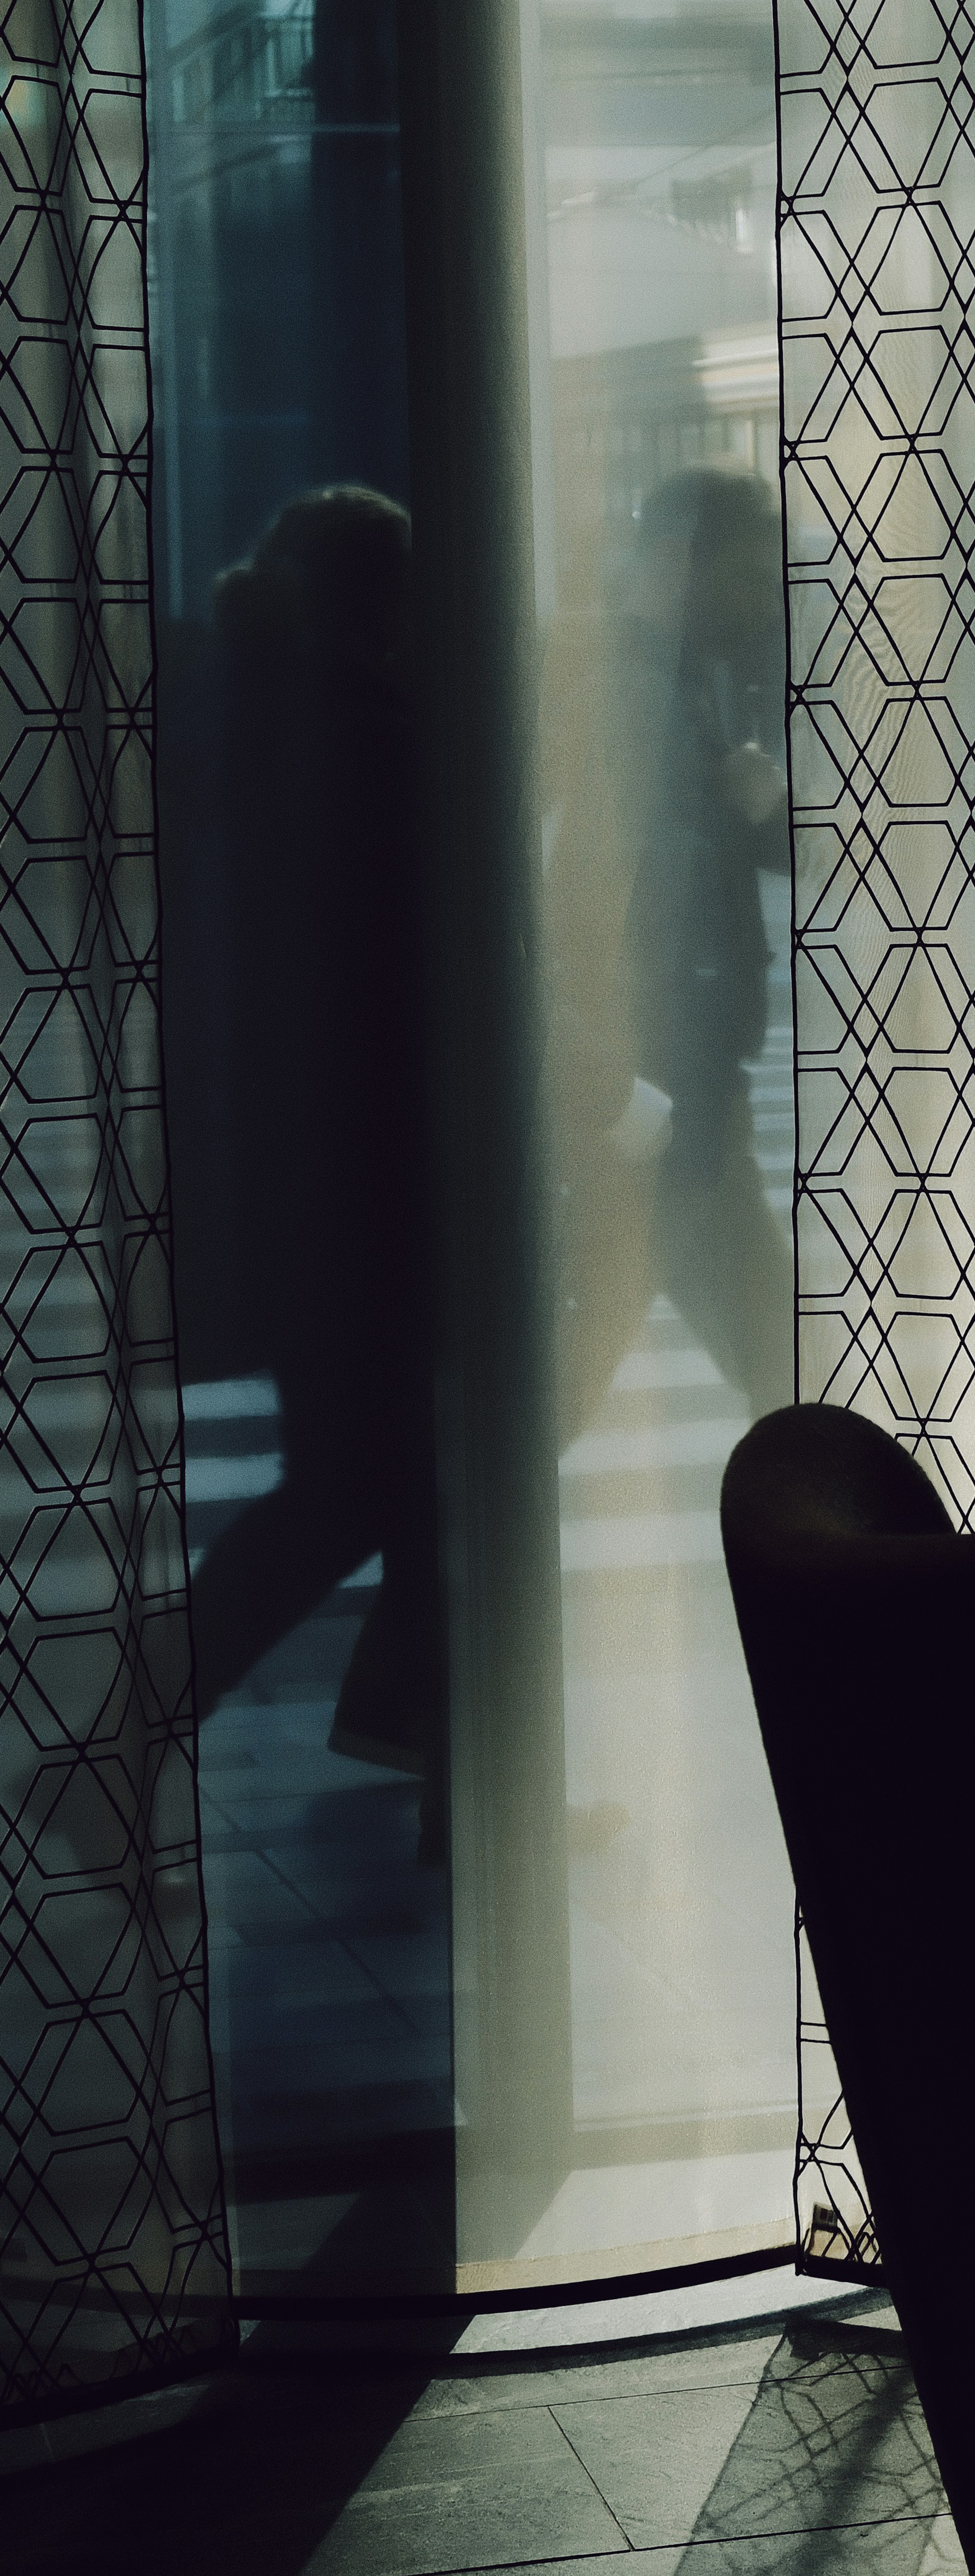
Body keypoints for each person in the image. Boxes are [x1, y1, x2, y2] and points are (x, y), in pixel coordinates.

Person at [183, 487, 440, 1778]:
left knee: (407, 1479)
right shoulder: (365, 751)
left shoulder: (258, 727)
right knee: (367, 1486)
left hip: (298, 1190)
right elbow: (410, 992)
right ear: (381, 608)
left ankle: (440, 1747)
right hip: (365, 1205)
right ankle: (108, 1757)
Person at [549, 465, 793, 1435]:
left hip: (672, 1093)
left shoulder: (690, 684)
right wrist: (624, 1088)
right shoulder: (626, 694)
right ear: (677, 565)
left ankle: (445, 1547)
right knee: (777, 1366)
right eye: (744, 576)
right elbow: (585, 900)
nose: (761, 599)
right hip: (655, 1092)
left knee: (768, 1360)